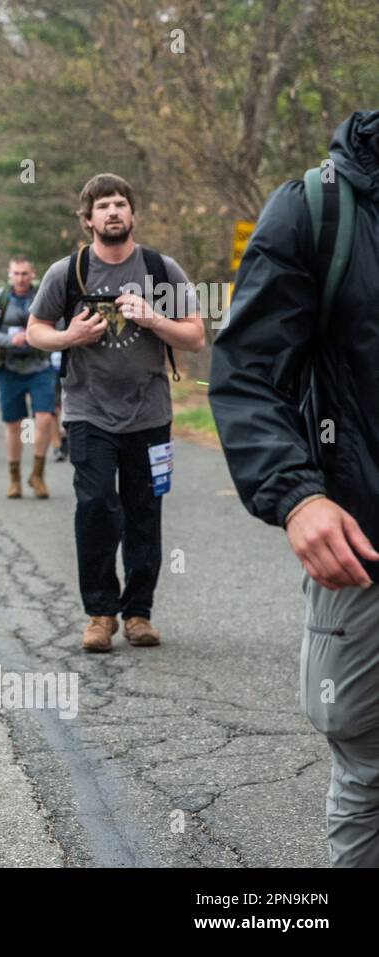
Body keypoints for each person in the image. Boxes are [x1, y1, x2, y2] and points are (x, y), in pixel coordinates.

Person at [209, 110, 379, 866]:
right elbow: (247, 376)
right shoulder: (321, 208)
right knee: (370, 768)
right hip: (364, 544)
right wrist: (298, 495)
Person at [26, 173, 204, 652]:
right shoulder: (69, 272)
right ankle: (101, 613)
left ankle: (139, 613)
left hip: (150, 415)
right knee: (97, 506)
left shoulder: (161, 269)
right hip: (88, 412)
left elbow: (195, 336)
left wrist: (152, 318)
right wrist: (69, 338)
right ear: (87, 220)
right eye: (103, 206)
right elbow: (35, 329)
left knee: (145, 511)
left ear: (132, 214)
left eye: (120, 204)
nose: (113, 212)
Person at [0, 256, 54, 498]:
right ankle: (15, 478)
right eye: (16, 274)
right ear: (10, 275)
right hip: (8, 368)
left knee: (44, 419)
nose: (20, 278)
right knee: (13, 425)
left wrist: (38, 336)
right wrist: (10, 339)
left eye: (25, 274)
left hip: (40, 366)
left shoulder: (44, 295)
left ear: (33, 275)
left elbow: (59, 323)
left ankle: (38, 475)